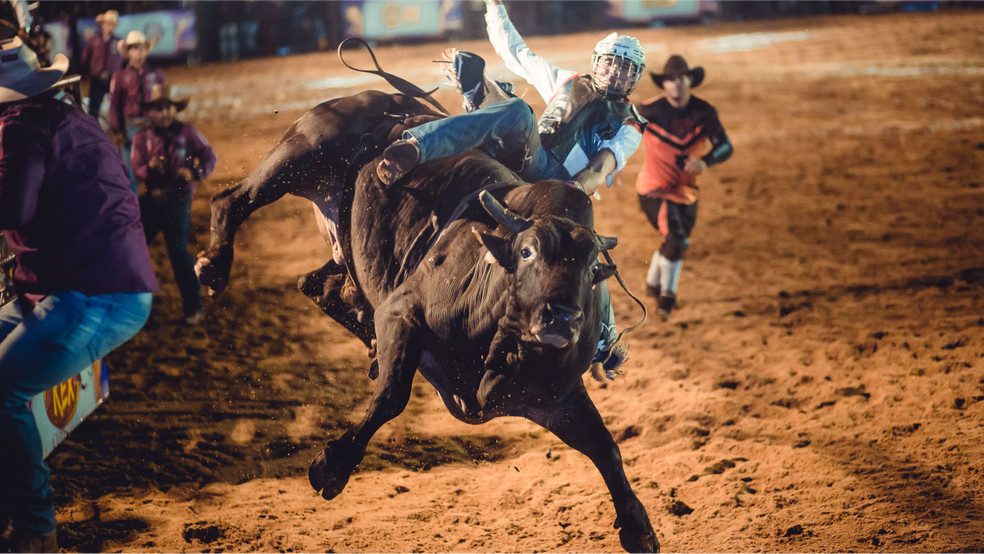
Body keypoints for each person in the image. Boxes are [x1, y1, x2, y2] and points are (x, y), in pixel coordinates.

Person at [376, 0, 646, 373]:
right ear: (597, 62)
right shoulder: (568, 81)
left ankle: (604, 338)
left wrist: (568, 193)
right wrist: (494, 7)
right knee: (519, 112)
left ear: (634, 76)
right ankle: (417, 145)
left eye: (625, 67)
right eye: (611, 62)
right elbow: (517, 51)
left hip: (565, 189)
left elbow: (603, 165)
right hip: (531, 160)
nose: (616, 72)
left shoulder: (630, 124)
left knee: (586, 253)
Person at [0, 36, 157, 554]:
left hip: (90, 292)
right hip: (110, 283)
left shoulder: (19, 126)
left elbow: (12, 208)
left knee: (3, 392)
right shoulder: (71, 118)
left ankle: (34, 528)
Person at [634, 55, 733, 320]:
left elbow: (725, 146)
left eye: (680, 78)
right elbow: (619, 127)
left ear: (690, 80)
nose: (675, 83)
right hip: (653, 190)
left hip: (687, 192)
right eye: (670, 79)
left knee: (674, 240)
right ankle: (666, 298)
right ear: (663, 84)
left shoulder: (704, 112)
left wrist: (706, 162)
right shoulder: (648, 110)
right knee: (677, 240)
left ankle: (652, 283)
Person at [131, 85, 216, 325]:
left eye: (167, 108)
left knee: (179, 254)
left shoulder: (187, 132)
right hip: (152, 200)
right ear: (151, 112)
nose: (165, 113)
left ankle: (193, 308)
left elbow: (209, 155)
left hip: (178, 200)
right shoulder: (142, 137)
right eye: (159, 108)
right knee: (131, 249)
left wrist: (194, 172)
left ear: (173, 109)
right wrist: (150, 169)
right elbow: (136, 168)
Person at [108, 30, 165, 194]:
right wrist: (117, 130)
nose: (138, 52)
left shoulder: (156, 74)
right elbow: (114, 105)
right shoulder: (119, 76)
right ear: (128, 52)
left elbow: (163, 104)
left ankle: (155, 206)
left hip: (152, 128)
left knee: (156, 168)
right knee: (130, 171)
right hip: (130, 129)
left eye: (141, 48)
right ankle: (136, 211)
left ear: (145, 50)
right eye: (134, 48)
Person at [80, 10, 122, 120]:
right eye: (108, 24)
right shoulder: (93, 40)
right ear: (102, 24)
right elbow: (85, 59)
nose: (110, 27)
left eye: (112, 24)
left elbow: (124, 61)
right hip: (97, 79)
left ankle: (118, 131)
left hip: (113, 79)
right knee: (94, 108)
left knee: (118, 106)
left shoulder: (119, 42)